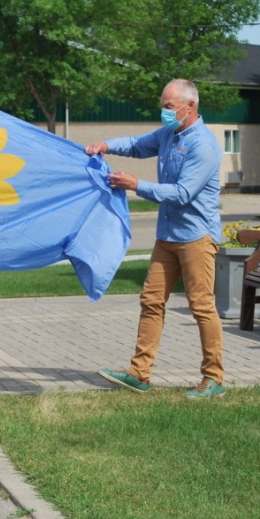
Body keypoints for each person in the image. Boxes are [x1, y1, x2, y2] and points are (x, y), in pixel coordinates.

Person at [85, 78, 225, 399]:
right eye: (163, 107)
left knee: (201, 306)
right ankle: (139, 374)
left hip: (196, 237)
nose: (164, 113)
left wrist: (136, 185)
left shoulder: (203, 145)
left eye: (169, 107)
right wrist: (105, 145)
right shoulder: (168, 134)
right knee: (151, 301)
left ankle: (213, 378)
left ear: (190, 106)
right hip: (167, 236)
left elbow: (182, 193)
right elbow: (136, 145)